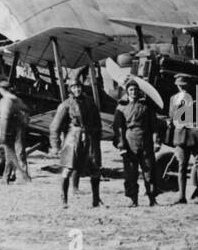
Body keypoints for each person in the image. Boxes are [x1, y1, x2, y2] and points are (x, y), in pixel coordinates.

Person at [49, 74, 103, 207]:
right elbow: (54, 127)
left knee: (95, 168)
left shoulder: (90, 102)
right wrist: (55, 146)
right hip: (73, 138)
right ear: (70, 89)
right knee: (68, 169)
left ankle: (96, 200)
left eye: (78, 87)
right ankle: (64, 200)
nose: (77, 90)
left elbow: (97, 122)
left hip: (89, 138)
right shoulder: (66, 105)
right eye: (74, 87)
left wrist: (96, 138)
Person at [113, 79, 160, 206]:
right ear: (127, 92)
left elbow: (154, 125)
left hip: (145, 141)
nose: (134, 92)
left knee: (149, 171)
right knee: (131, 173)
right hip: (129, 142)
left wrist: (156, 141)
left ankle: (152, 199)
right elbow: (118, 128)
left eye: (135, 90)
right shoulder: (121, 107)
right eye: (131, 90)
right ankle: (134, 200)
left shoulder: (146, 106)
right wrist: (121, 145)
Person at [167, 74, 198, 204]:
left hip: (194, 135)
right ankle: (182, 196)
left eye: (185, 86)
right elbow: (171, 116)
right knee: (182, 166)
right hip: (180, 136)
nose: (183, 88)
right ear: (177, 85)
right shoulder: (173, 99)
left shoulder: (196, 98)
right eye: (181, 86)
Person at [0, 79, 32, 183]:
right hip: (19, 129)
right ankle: (6, 178)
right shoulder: (17, 99)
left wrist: (1, 135)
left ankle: (24, 177)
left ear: (1, 89)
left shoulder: (4, 100)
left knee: (10, 155)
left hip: (8, 130)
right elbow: (27, 109)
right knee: (19, 153)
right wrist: (25, 120)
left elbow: (4, 118)